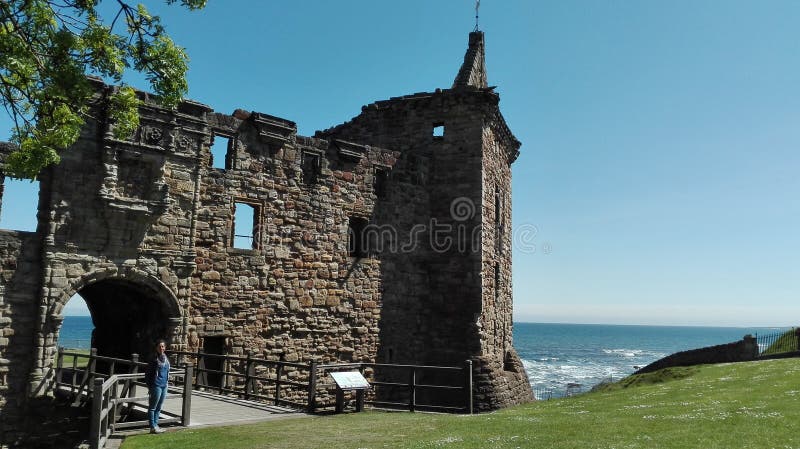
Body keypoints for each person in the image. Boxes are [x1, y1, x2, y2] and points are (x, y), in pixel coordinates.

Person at [144, 339, 170, 434]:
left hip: (164, 385)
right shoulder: (154, 359)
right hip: (156, 385)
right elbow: (148, 374)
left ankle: (156, 425)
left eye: (163, 346)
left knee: (159, 407)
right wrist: (150, 386)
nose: (161, 348)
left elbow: (167, 371)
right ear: (156, 348)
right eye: (159, 346)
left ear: (165, 347)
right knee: (153, 407)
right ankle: (152, 427)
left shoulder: (166, 358)